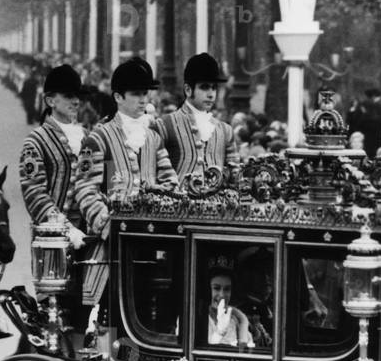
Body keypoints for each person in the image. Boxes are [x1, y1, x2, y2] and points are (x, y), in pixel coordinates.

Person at [74, 57, 178, 310]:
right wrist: (106, 223)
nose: (143, 100)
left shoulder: (154, 138)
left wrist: (162, 199)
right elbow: (85, 189)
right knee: (112, 318)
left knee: (151, 312)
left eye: (145, 94)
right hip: (113, 248)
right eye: (135, 94)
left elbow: (171, 182)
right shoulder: (98, 139)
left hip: (151, 245)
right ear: (118, 97)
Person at [19, 63, 91, 341]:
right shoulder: (35, 142)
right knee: (53, 318)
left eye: (78, 96)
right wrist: (65, 228)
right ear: (50, 101)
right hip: (52, 243)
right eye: (68, 95)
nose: (76, 101)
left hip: (87, 239)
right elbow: (35, 194)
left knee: (84, 316)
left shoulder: (88, 137)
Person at [152, 53, 238, 178]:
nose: (211, 94)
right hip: (176, 196)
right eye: (204, 87)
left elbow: (235, 178)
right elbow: (152, 176)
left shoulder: (226, 131)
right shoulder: (163, 126)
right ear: (188, 89)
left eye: (214, 88)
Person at [205, 265, 252, 347]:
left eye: (227, 289)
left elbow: (244, 351)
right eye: (216, 288)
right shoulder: (196, 319)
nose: (222, 295)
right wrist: (220, 332)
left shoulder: (234, 320)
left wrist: (243, 320)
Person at [360, 88, 381, 158]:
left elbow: (378, 118)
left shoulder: (379, 104)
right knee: (375, 148)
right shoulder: (379, 104)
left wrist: (366, 114)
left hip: (376, 131)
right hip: (376, 131)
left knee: (375, 149)